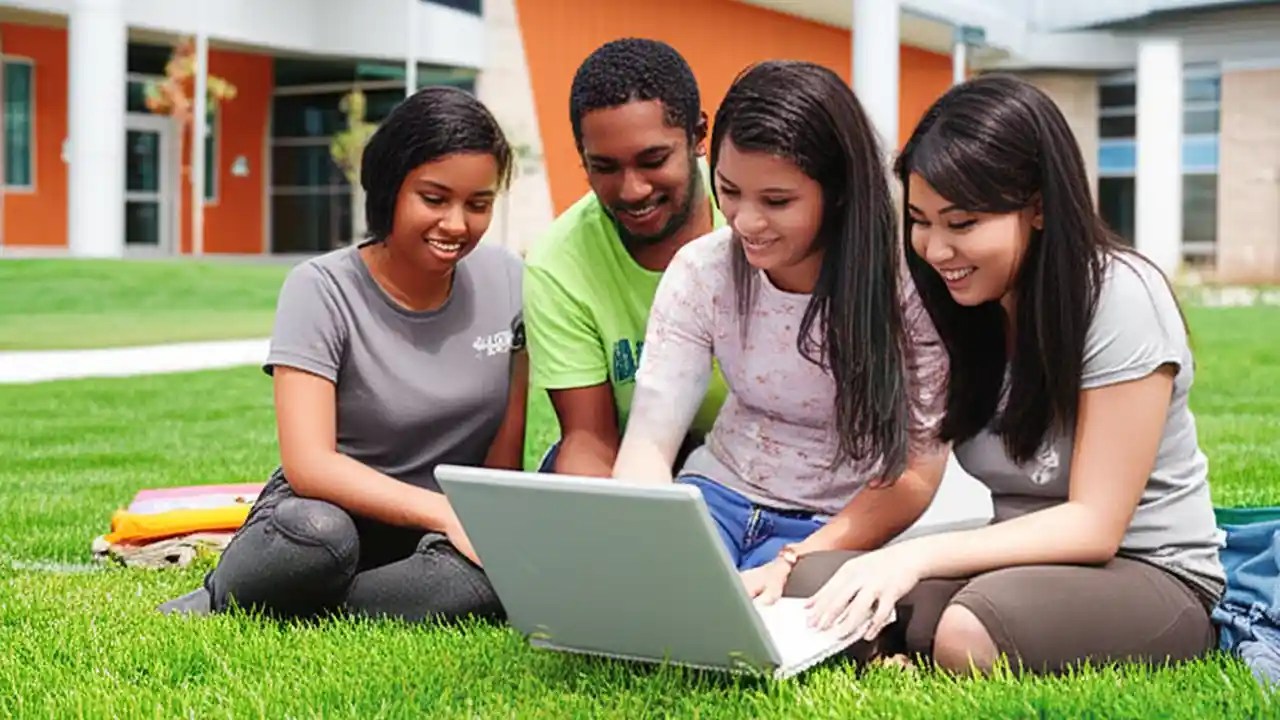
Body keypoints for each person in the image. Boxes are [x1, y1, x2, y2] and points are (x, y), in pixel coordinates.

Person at [785, 74, 1226, 675]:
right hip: (1014, 571)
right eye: (920, 220)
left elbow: (1096, 525)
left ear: (1039, 206)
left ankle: (909, 653)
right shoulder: (962, 306)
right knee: (818, 586)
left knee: (967, 630)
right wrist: (812, 558)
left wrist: (916, 558)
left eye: (961, 224)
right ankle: (897, 653)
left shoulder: (1120, 296)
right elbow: (911, 467)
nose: (935, 249)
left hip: (1147, 570)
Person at [158, 86, 527, 623]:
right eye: (434, 198)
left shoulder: (508, 282)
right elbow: (309, 465)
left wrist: (485, 526)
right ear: (390, 187)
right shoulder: (320, 287)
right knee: (317, 541)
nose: (456, 224)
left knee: (488, 580)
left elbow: (503, 459)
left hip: (435, 537)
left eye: (478, 204)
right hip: (327, 515)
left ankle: (312, 605)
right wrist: (445, 513)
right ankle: (228, 594)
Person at [610, 60, 951, 589]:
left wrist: (791, 561)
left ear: (838, 191)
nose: (745, 221)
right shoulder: (703, 271)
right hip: (714, 498)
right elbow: (650, 444)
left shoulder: (908, 287)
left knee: (806, 605)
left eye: (776, 201)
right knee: (644, 586)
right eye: (728, 190)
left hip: (831, 526)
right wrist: (654, 537)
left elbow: (914, 476)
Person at [522, 37, 730, 476]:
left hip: (747, 466)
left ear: (697, 136)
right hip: (626, 460)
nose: (632, 190)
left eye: (653, 160)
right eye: (605, 167)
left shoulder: (753, 220)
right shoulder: (559, 262)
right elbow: (590, 438)